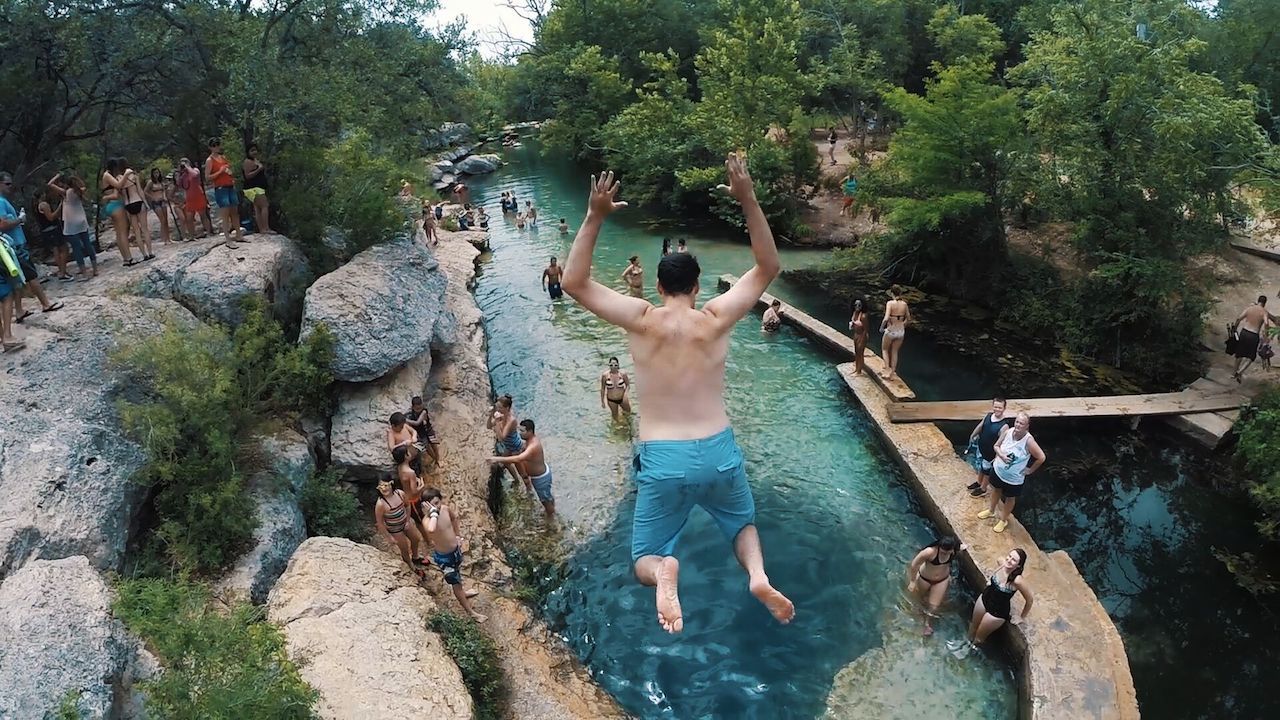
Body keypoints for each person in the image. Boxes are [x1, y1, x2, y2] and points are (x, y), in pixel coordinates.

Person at [561, 155, 795, 634]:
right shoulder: (716, 317)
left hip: (664, 457)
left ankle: (666, 573)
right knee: (741, 524)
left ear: (662, 284)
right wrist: (747, 198)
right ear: (695, 285)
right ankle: (757, 575)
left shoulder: (641, 317)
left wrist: (594, 215)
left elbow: (573, 283)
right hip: (718, 449)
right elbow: (769, 265)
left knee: (646, 555)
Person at [0, 172, 64, 323]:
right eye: (7, 184)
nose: (10, 187)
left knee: (16, 280)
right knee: (31, 275)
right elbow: (2, 224)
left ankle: (20, 311)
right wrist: (19, 220)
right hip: (15, 246)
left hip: (14, 245)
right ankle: (46, 304)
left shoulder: (4, 201)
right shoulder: (1, 202)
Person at [947, 549, 1033, 659]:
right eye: (1009, 556)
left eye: (1014, 560)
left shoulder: (1017, 581)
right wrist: (991, 577)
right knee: (973, 626)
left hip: (997, 612)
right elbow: (999, 560)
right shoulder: (1002, 562)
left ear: (1019, 566)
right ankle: (965, 642)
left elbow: (1029, 599)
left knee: (979, 637)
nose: (1009, 560)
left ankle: (969, 651)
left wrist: (1021, 617)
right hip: (985, 598)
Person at [422, 488, 486, 622]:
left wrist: (458, 536)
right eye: (432, 505)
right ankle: (471, 613)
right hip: (445, 558)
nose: (436, 507)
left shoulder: (445, 509)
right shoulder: (427, 520)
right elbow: (432, 529)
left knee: (458, 574)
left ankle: (463, 592)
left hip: (455, 551)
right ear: (425, 506)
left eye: (437, 503)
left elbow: (454, 518)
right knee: (455, 583)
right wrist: (432, 513)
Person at [978, 412, 1045, 533]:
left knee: (1010, 497)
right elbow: (996, 446)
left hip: (1014, 478)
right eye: (1017, 422)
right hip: (998, 470)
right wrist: (1001, 455)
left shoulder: (1028, 441)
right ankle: (991, 511)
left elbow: (1041, 457)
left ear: (1027, 426)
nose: (1018, 425)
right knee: (996, 490)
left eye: (1022, 423)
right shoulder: (1008, 432)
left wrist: (1030, 470)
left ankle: (1003, 520)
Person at [487, 419, 555, 518]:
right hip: (539, 476)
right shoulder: (529, 441)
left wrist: (497, 459)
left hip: (540, 478)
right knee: (547, 498)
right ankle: (551, 509)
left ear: (530, 431)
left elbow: (519, 459)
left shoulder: (533, 446)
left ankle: (552, 519)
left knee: (545, 502)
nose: (520, 433)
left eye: (523, 431)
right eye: (520, 430)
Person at [906, 536, 964, 636]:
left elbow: (961, 547)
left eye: (947, 552)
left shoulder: (954, 550)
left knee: (934, 606)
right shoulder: (929, 552)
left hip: (941, 580)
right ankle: (918, 617)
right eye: (942, 552)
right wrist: (912, 581)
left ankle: (927, 624)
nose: (944, 554)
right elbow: (914, 564)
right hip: (925, 578)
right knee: (919, 599)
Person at [46, 173, 97, 279]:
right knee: (87, 244)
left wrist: (57, 175)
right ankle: (95, 269)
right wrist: (77, 179)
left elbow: (50, 184)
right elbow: (83, 185)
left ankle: (84, 273)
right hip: (82, 221)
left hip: (71, 223)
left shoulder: (66, 193)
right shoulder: (79, 191)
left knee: (76, 248)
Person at [374, 479, 428, 577]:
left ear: (391, 484)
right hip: (395, 529)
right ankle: (411, 566)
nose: (384, 488)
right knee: (404, 549)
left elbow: (407, 506)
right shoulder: (381, 504)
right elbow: (380, 523)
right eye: (380, 486)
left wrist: (407, 520)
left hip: (405, 522)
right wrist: (389, 537)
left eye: (386, 485)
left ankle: (415, 557)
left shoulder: (400, 494)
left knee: (416, 539)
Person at [966, 398, 1014, 498]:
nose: (997, 409)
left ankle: (983, 488)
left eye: (1000, 407)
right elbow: (981, 426)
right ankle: (979, 482)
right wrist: (973, 435)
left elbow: (1002, 443)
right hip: (982, 446)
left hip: (990, 452)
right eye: (995, 407)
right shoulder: (988, 416)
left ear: (1004, 408)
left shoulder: (1004, 426)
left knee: (987, 470)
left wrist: (998, 455)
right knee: (981, 467)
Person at [205, 139, 243, 247]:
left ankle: (239, 235)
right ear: (210, 147)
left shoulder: (224, 157)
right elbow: (207, 177)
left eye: (218, 145)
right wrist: (219, 172)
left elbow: (229, 170)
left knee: (234, 211)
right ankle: (228, 239)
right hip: (220, 188)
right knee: (225, 213)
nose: (216, 147)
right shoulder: (209, 160)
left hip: (230, 185)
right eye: (214, 145)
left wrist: (231, 175)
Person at [487, 395, 528, 489]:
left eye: (500, 407)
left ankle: (529, 490)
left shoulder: (511, 420)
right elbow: (488, 426)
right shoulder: (502, 415)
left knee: (522, 473)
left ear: (507, 408)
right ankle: (516, 481)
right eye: (497, 407)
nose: (498, 409)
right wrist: (490, 415)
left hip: (515, 448)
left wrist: (497, 422)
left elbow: (501, 438)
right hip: (508, 446)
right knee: (506, 463)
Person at [101, 158, 136, 265]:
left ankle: (125, 258)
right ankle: (128, 258)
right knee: (123, 233)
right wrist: (126, 174)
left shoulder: (107, 175)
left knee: (119, 233)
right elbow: (119, 186)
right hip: (116, 205)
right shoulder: (107, 175)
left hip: (112, 205)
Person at [120, 164, 155, 261]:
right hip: (138, 201)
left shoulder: (120, 179)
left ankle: (144, 255)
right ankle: (150, 252)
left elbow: (121, 195)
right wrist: (146, 203)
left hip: (128, 204)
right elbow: (140, 191)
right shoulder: (134, 177)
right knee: (145, 229)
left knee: (136, 231)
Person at [35, 189, 70, 281]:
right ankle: (62, 272)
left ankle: (61, 271)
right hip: (52, 229)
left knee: (56, 250)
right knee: (64, 249)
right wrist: (60, 206)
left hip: (47, 231)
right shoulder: (44, 205)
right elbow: (51, 217)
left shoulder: (36, 206)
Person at [1232, 296, 1270, 382]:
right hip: (1254, 335)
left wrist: (1235, 328)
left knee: (1239, 354)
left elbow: (1239, 318)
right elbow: (1267, 323)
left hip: (1244, 332)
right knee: (1251, 357)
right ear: (1265, 303)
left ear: (1258, 301)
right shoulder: (1264, 312)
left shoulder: (1250, 308)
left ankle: (1234, 372)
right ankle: (1240, 372)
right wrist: (1266, 335)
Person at [879, 285, 910, 380]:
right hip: (901, 331)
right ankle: (892, 372)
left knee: (884, 349)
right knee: (895, 351)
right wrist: (902, 325)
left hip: (891, 330)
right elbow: (909, 319)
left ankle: (887, 370)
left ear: (892, 293)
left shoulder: (890, 303)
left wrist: (881, 328)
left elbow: (886, 318)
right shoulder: (904, 304)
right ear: (900, 293)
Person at [176, 158, 211, 239]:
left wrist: (188, 167)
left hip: (198, 195)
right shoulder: (183, 175)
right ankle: (192, 236)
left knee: (203, 215)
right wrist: (179, 172)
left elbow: (195, 175)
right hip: (189, 197)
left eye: (185, 163)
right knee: (189, 217)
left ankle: (208, 232)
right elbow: (179, 184)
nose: (183, 165)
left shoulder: (195, 170)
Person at [242, 143, 271, 234]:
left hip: (258, 187)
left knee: (258, 208)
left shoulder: (255, 160)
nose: (254, 152)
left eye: (255, 150)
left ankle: (262, 229)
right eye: (252, 150)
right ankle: (266, 228)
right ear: (248, 152)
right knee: (264, 206)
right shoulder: (247, 161)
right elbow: (247, 175)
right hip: (253, 188)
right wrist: (258, 169)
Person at [405, 395, 441, 467]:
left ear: (422, 405)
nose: (419, 410)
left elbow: (417, 423)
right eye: (417, 409)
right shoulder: (410, 414)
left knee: (434, 444)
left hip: (428, 430)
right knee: (427, 447)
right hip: (421, 433)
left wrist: (405, 420)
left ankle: (438, 458)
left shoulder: (424, 411)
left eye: (420, 408)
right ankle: (434, 458)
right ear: (413, 407)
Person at [145, 169, 173, 245]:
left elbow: (163, 190)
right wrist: (152, 198)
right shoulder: (150, 182)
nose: (156, 174)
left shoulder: (161, 182)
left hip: (162, 201)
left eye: (157, 172)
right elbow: (145, 192)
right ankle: (165, 239)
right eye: (155, 173)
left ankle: (168, 238)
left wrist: (164, 197)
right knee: (162, 220)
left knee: (166, 220)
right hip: (156, 202)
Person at [847, 298, 868, 375]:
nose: (857, 306)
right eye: (856, 305)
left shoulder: (863, 316)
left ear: (862, 306)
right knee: (856, 352)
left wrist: (862, 340)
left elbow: (866, 330)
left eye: (859, 305)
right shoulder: (854, 313)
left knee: (860, 353)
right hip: (856, 334)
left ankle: (859, 371)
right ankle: (856, 369)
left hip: (862, 335)